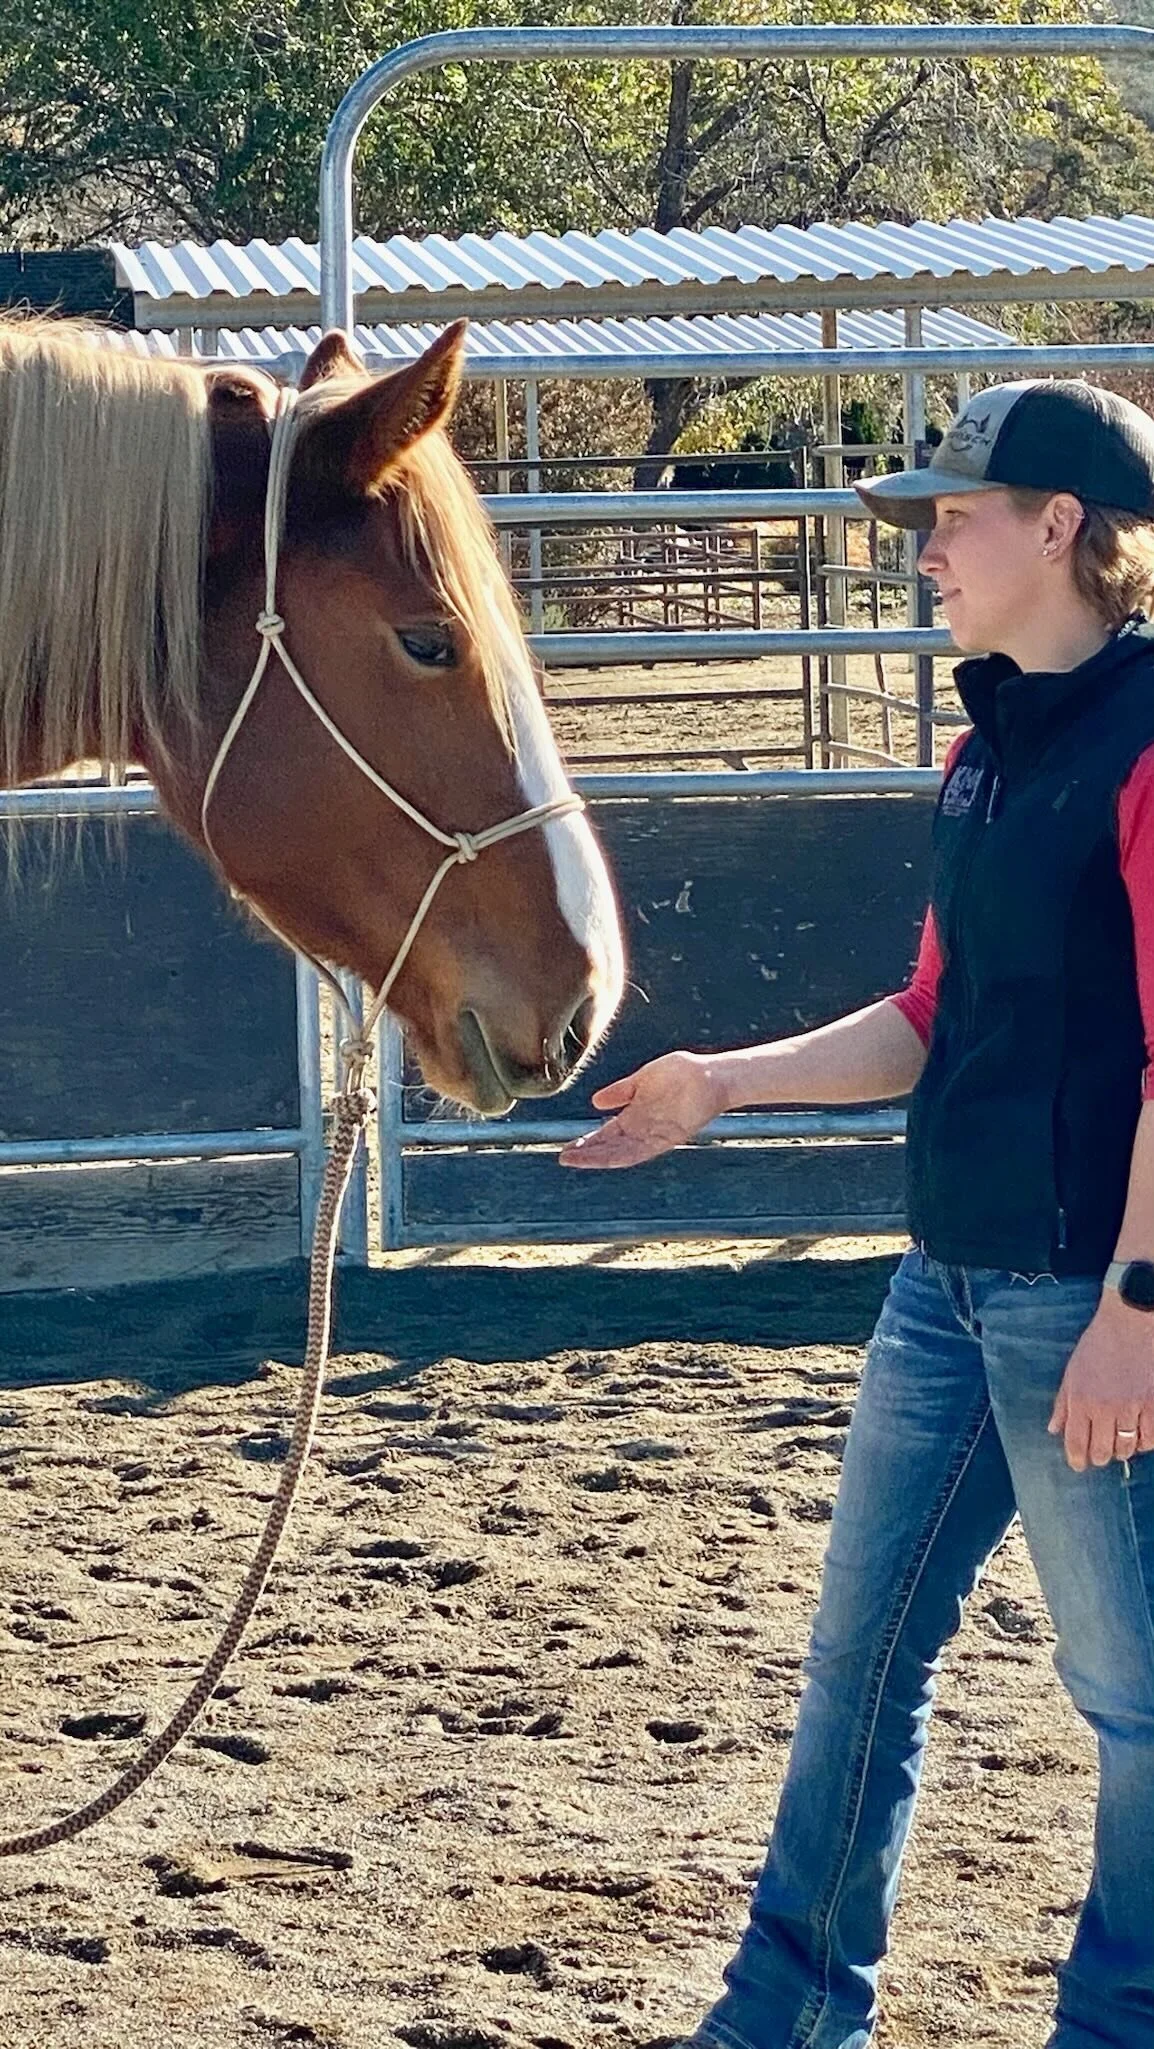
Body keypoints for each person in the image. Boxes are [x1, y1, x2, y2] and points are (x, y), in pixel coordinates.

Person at [559, 379, 1154, 2049]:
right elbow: (925, 1016)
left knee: (1137, 1705)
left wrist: (1137, 1306)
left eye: (950, 518)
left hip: (1079, 1296)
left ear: (1059, 527)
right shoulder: (982, 748)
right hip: (949, 1283)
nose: (922, 551)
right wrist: (720, 1085)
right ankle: (784, 2016)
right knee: (856, 1667)